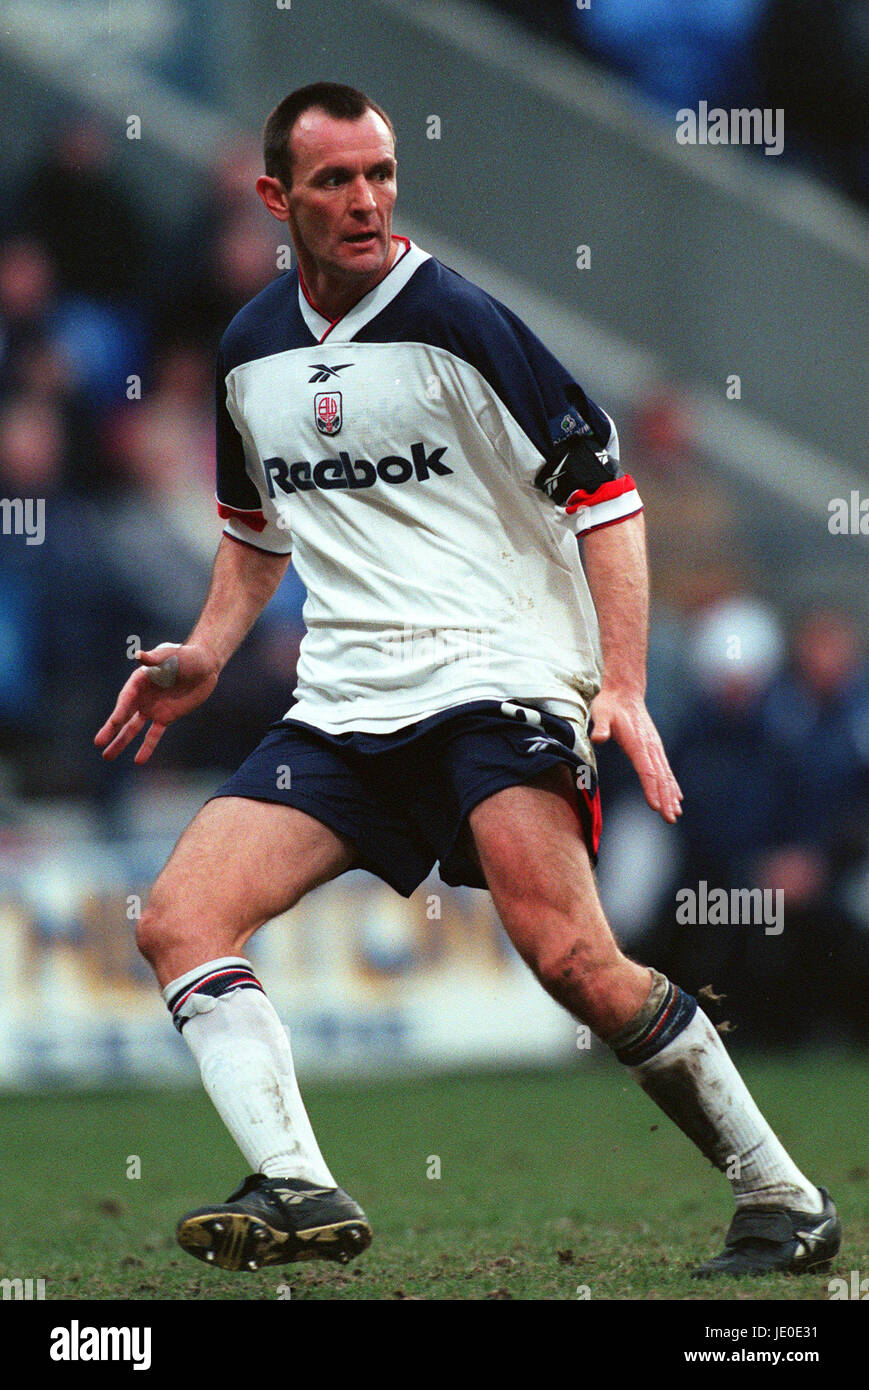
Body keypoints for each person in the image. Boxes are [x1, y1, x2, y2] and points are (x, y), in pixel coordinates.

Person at [95, 82, 840, 1280]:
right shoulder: (248, 351)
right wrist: (206, 652)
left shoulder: (455, 319)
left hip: (494, 681)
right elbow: (253, 532)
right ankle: (296, 1184)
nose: (366, 200)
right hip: (342, 707)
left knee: (572, 962)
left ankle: (781, 1198)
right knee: (179, 917)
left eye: (381, 173)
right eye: (335, 180)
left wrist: (625, 681)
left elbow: (605, 494)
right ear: (274, 197)